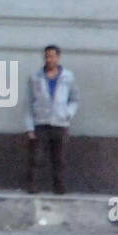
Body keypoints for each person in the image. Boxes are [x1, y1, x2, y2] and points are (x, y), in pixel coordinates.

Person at [25, 45, 79, 194]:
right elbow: (29, 102)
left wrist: (68, 113)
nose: (49, 60)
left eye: (52, 56)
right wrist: (30, 127)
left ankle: (59, 187)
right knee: (36, 157)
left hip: (60, 123)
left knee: (59, 158)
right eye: (46, 56)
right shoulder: (35, 77)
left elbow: (74, 99)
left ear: (58, 58)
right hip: (40, 123)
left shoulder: (68, 77)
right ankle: (32, 186)